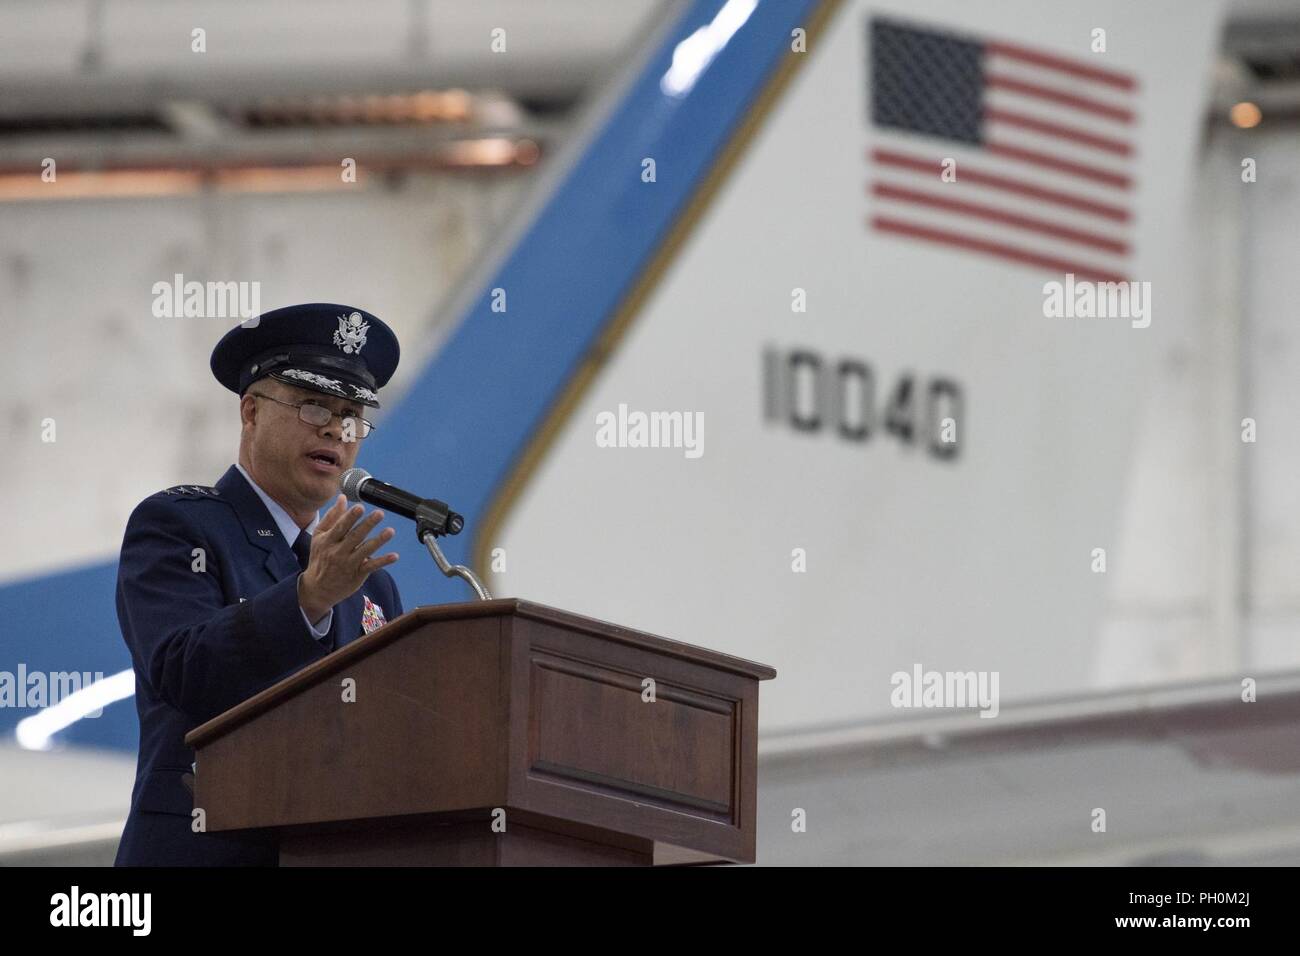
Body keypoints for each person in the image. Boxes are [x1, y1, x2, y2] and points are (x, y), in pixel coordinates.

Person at [114, 303, 404, 866]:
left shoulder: (371, 586)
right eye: (314, 404)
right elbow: (182, 668)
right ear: (250, 412)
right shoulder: (180, 525)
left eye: (351, 417)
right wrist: (309, 598)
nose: (333, 429)